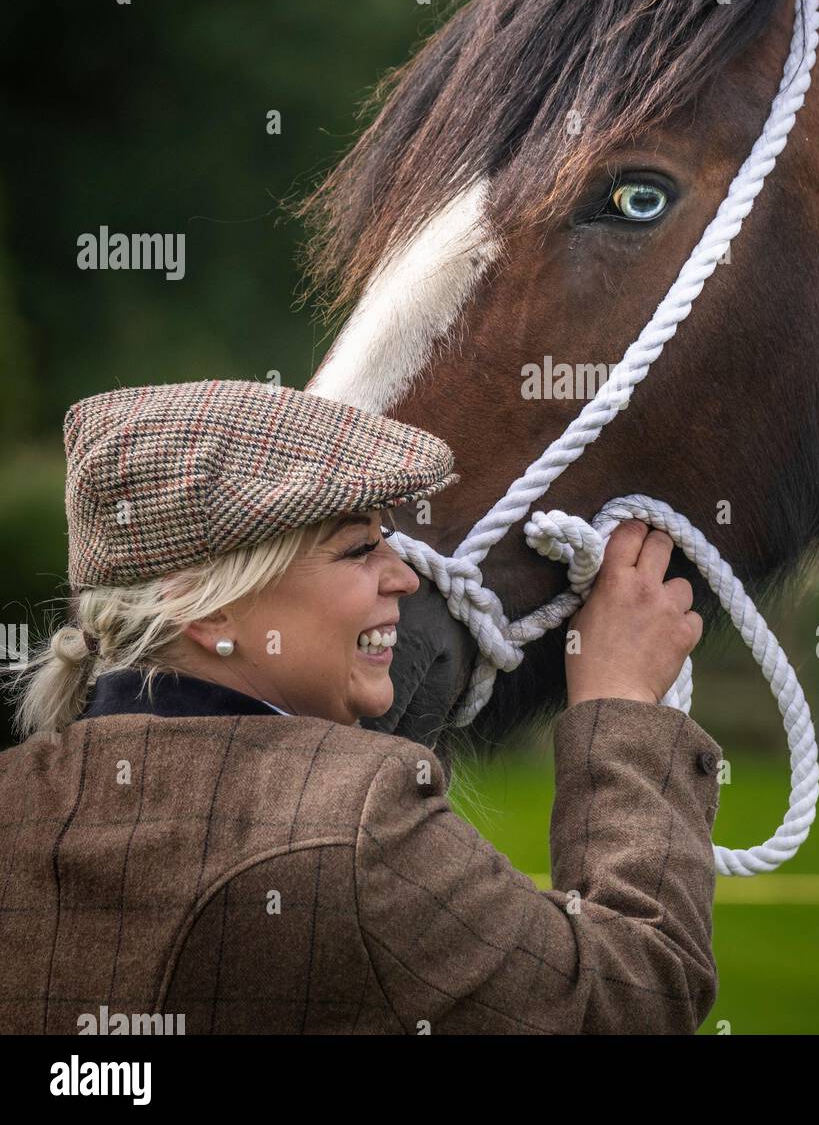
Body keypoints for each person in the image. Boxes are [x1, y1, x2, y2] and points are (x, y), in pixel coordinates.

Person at [0, 379, 721, 1035]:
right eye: (356, 550)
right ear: (205, 611)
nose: (405, 576)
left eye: (389, 542)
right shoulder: (359, 821)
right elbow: (633, 1002)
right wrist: (621, 704)